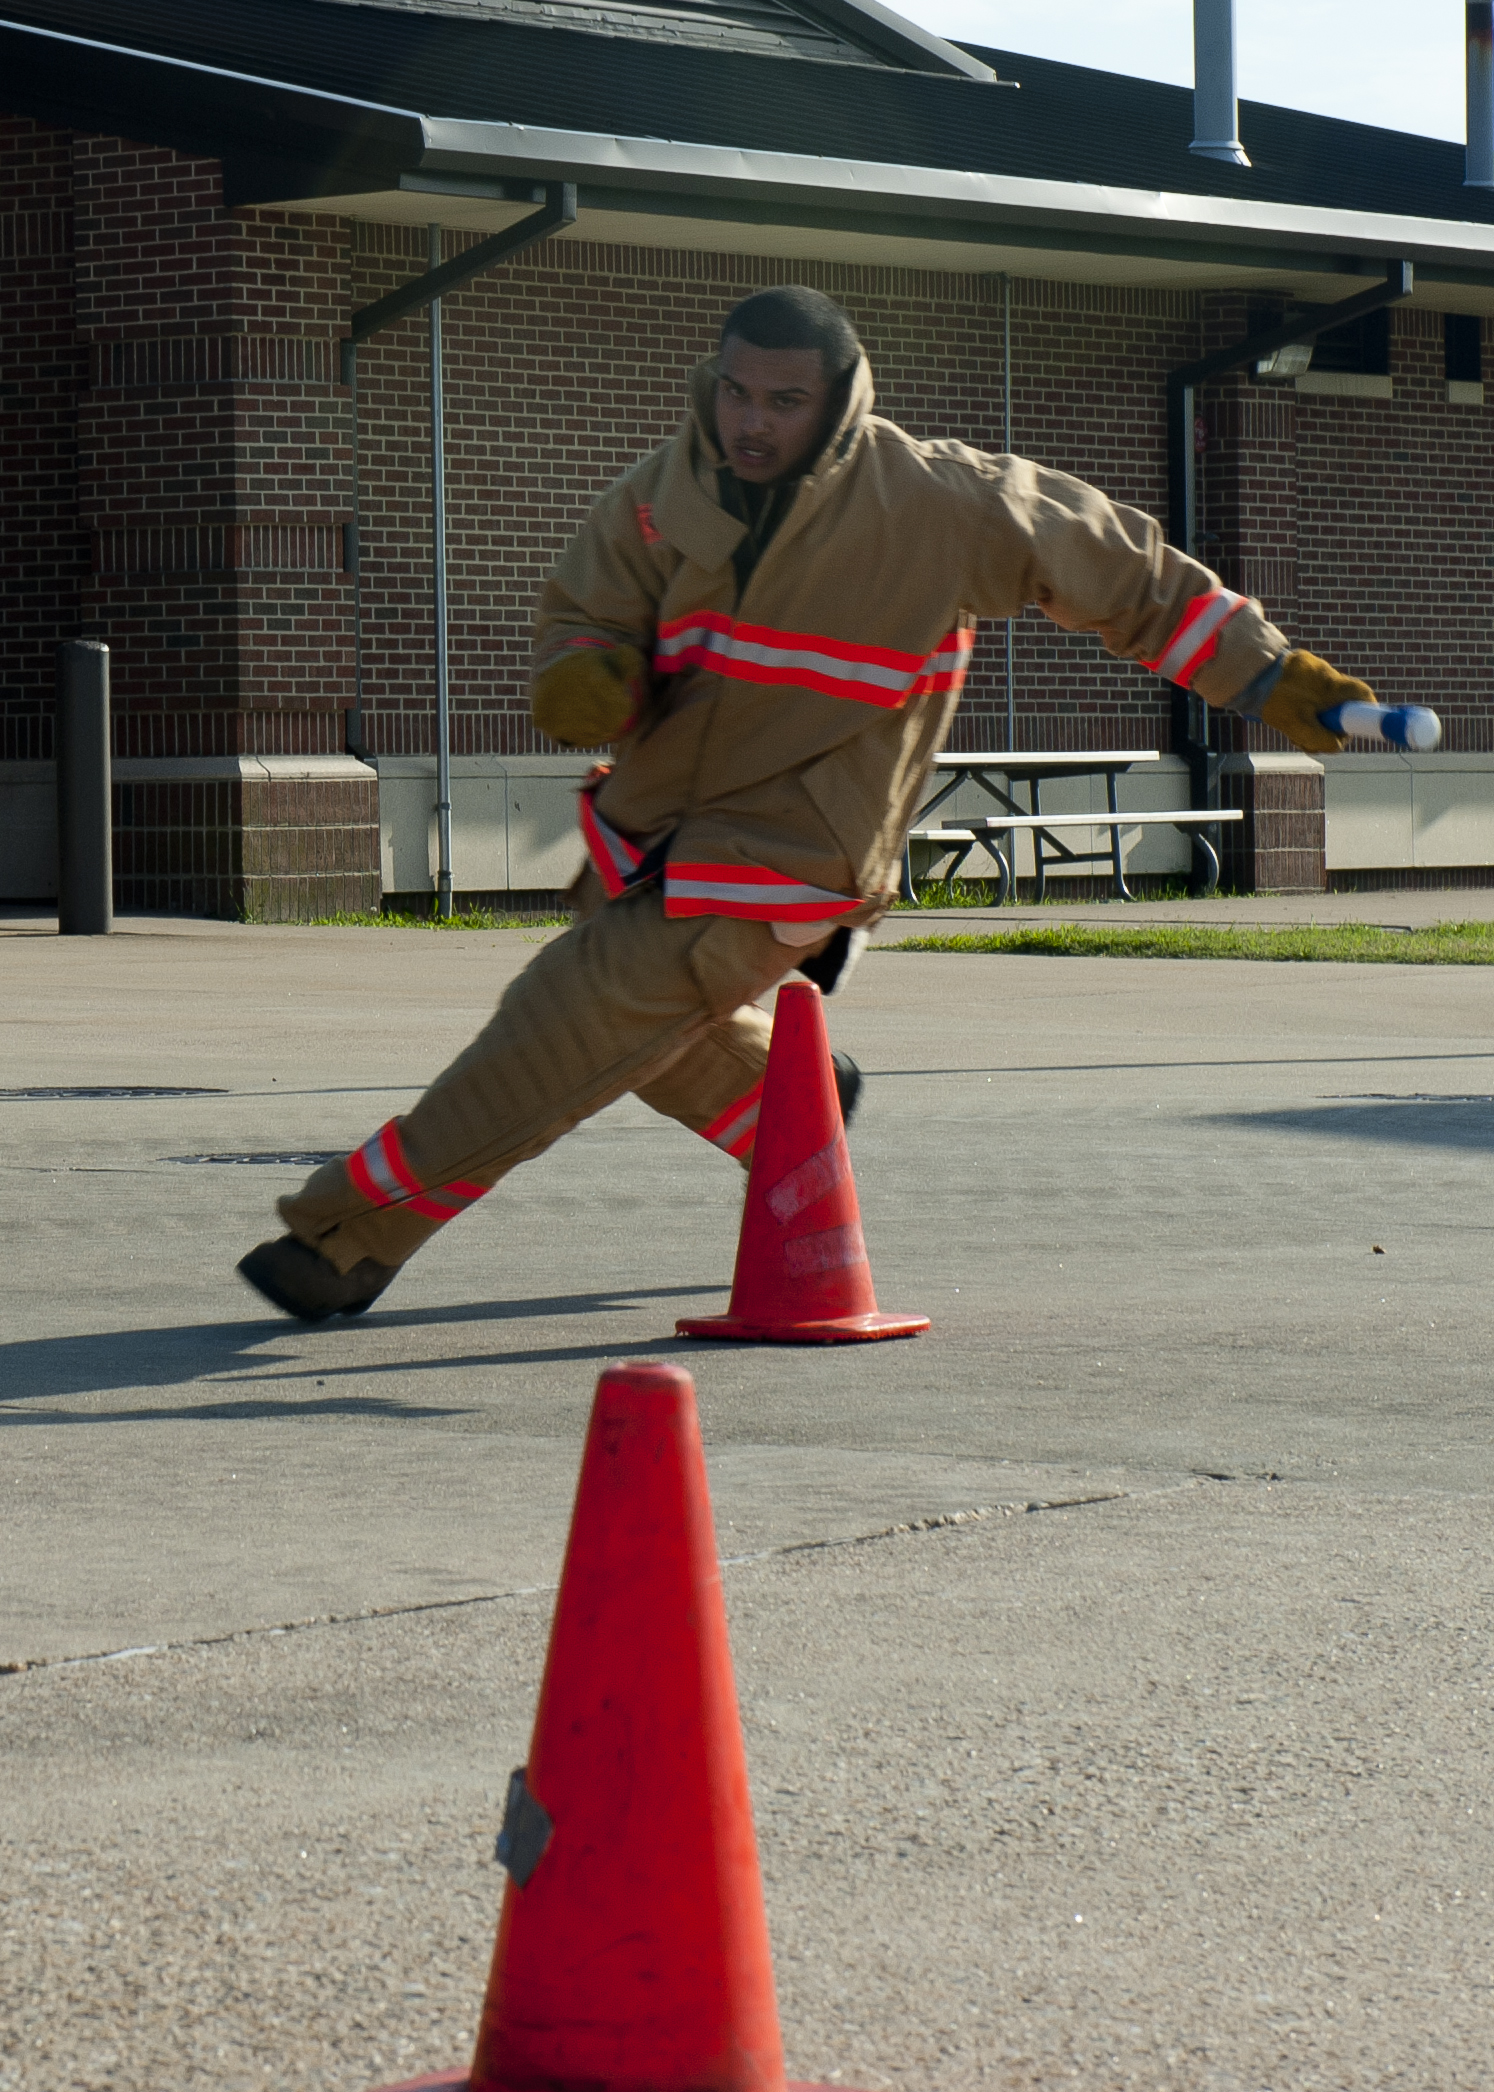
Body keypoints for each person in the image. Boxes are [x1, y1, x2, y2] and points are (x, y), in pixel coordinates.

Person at [238, 284, 1374, 1321]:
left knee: (566, 1017)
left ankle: (346, 1239)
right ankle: (796, 1110)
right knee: (644, 1036)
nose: (752, 421)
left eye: (783, 401)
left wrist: (1272, 678)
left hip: (800, 844)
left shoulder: (939, 500)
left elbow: (1132, 577)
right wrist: (585, 671)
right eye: (737, 392)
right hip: (656, 831)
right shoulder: (664, 493)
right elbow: (585, 610)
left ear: (837, 399)